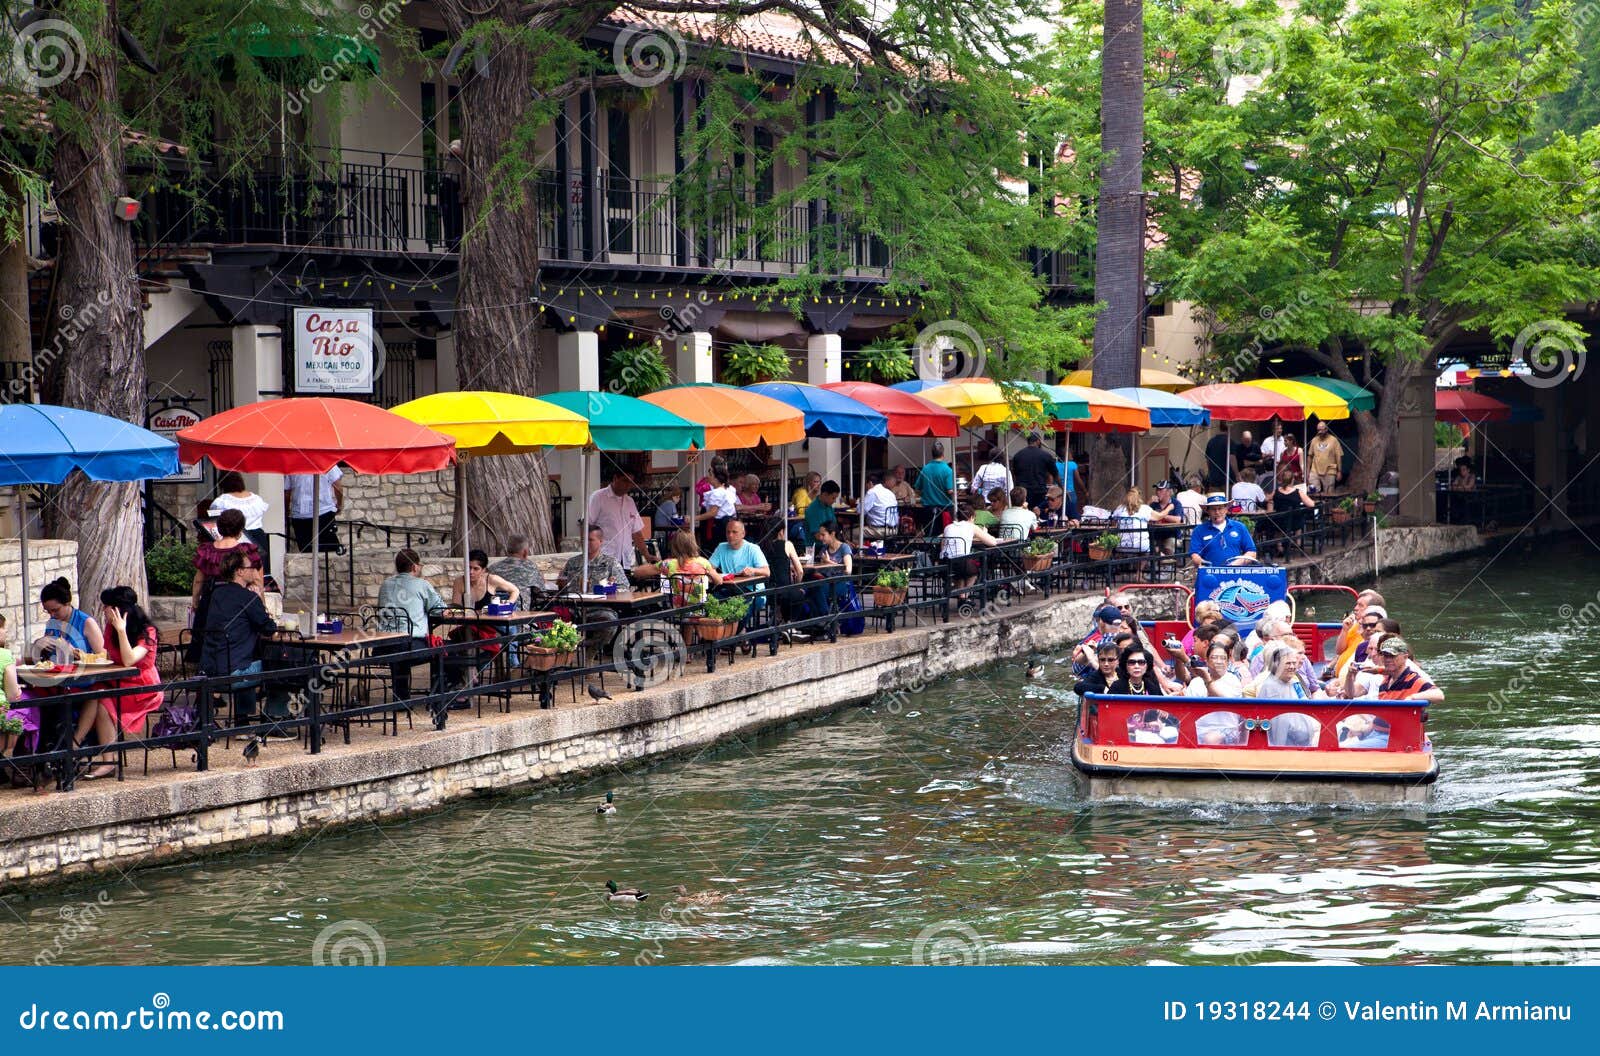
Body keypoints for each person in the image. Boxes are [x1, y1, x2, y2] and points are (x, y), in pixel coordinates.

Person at [70, 587, 162, 779]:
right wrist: (84, 656)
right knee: (95, 692)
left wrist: (121, 630)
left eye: (107, 607)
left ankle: (103, 759)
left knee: (103, 700)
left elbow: (129, 660)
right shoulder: (110, 628)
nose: (103, 610)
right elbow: (108, 655)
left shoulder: (147, 631)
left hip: (141, 688)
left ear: (117, 610)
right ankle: (76, 744)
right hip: (118, 682)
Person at [199, 548, 275, 726]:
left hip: (209, 669)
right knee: (277, 665)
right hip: (234, 673)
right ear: (239, 571)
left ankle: (243, 721)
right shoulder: (247, 597)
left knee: (245, 658)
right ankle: (276, 718)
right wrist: (257, 599)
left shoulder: (215, 594)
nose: (254, 571)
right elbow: (268, 628)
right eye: (251, 567)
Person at [375, 548, 446, 702]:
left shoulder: (385, 584)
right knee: (442, 650)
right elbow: (439, 610)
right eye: (420, 565)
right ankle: (436, 699)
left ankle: (401, 699)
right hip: (409, 644)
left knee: (399, 649)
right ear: (415, 567)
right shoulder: (421, 584)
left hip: (382, 645)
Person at [207, 471, 272, 573]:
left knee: (239, 571)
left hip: (237, 538)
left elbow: (214, 520)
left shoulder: (222, 501)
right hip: (258, 537)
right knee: (260, 569)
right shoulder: (256, 499)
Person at [639, 529, 723, 608]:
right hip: (699, 610)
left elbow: (640, 572)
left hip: (676, 611)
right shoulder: (703, 562)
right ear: (693, 544)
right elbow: (719, 581)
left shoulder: (668, 564)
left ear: (674, 546)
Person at [587, 470, 650, 567]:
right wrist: (589, 552)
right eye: (625, 481)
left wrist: (647, 555)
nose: (628, 485)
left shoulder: (630, 502)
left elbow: (636, 532)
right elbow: (586, 525)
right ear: (615, 478)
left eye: (630, 482)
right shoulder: (598, 497)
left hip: (625, 560)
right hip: (603, 558)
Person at [40, 577, 105, 658]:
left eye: (56, 610)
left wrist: (76, 653)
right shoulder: (52, 623)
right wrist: (40, 645)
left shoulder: (87, 623)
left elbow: (103, 657)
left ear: (67, 603)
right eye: (48, 611)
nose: (52, 615)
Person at [940, 502, 1000, 589]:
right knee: (974, 572)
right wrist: (984, 532)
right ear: (972, 517)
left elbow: (943, 546)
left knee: (960, 573)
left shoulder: (948, 527)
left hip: (945, 563)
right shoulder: (971, 526)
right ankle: (965, 595)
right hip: (961, 564)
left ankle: (961, 596)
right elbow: (992, 542)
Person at [1189, 493, 1258, 567]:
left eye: (1220, 508)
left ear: (1226, 509)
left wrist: (1234, 565)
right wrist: (1204, 564)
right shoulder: (1199, 530)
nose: (1217, 512)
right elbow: (1194, 554)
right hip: (1210, 574)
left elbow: (1252, 552)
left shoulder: (1239, 527)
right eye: (1213, 509)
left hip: (1235, 574)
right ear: (1208, 511)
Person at [286, 467, 342, 553]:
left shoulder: (293, 464)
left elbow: (287, 492)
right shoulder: (327, 462)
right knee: (330, 551)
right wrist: (339, 504)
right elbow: (338, 488)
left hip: (300, 514)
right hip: (323, 511)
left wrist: (286, 510)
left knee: (307, 551)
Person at [1373, 637, 1444, 702]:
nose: (1388, 659)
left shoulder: (1413, 681)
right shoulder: (1384, 683)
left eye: (1392, 656)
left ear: (1405, 657)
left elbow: (1439, 695)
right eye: (1385, 655)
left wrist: (1412, 697)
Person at [710, 518, 770, 593]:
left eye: (734, 532)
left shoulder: (753, 548)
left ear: (743, 534)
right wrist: (713, 573)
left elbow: (767, 572)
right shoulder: (721, 547)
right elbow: (708, 567)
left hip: (753, 592)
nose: (730, 535)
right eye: (728, 532)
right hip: (731, 591)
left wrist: (753, 570)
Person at [557, 528, 627, 592]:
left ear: (600, 541)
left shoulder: (611, 563)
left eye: (590, 540)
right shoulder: (572, 562)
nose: (586, 543)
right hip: (575, 603)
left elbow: (624, 588)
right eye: (583, 539)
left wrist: (607, 590)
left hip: (601, 604)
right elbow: (562, 585)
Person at [1071, 604, 1127, 676]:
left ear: (1101, 623)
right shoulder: (1128, 640)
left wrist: (1085, 653)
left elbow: (1075, 669)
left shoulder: (1098, 643)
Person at [454, 548, 522, 607]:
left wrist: (507, 605)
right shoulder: (459, 582)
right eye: (468, 567)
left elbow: (515, 590)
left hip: (491, 620)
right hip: (468, 620)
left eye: (476, 569)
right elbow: (456, 607)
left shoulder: (492, 579)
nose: (471, 572)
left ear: (484, 570)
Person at [488, 534, 545, 604]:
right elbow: (541, 592)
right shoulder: (530, 567)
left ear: (507, 550)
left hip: (495, 609)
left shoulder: (493, 567)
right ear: (525, 552)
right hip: (521, 611)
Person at [1012, 433, 1056, 509]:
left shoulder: (1017, 455)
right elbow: (1055, 473)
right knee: (1039, 514)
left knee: (1024, 514)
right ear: (1038, 441)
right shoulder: (1046, 455)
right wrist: (1062, 487)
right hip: (1040, 491)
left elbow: (1014, 475)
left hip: (1023, 493)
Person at [700, 467, 739, 545]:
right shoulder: (728, 491)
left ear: (716, 479)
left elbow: (712, 513)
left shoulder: (717, 493)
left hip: (719, 526)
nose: (709, 477)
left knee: (717, 547)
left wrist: (693, 518)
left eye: (711, 475)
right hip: (729, 523)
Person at [1112, 487, 1155, 555]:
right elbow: (1159, 517)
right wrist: (1170, 507)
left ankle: (1129, 564)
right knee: (1149, 549)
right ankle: (1140, 566)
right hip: (1140, 546)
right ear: (1139, 497)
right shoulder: (1144, 508)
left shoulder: (1120, 508)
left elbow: (1113, 522)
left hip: (1121, 546)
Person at [859, 471, 900, 539]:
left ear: (870, 483)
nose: (865, 487)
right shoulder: (890, 493)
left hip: (879, 530)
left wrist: (861, 500)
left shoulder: (872, 492)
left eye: (865, 484)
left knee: (849, 533)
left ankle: (862, 549)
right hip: (893, 529)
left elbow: (860, 511)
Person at [918, 443, 956, 515]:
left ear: (932, 454)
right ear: (943, 454)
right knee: (945, 527)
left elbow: (918, 488)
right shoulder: (948, 470)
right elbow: (950, 491)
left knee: (930, 526)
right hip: (945, 509)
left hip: (928, 509)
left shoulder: (925, 469)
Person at [1307, 421, 1344, 493]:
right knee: (1312, 490)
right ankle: (1314, 504)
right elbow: (1310, 456)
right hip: (1315, 470)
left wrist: (1339, 471)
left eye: (1321, 430)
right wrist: (1308, 471)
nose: (1319, 432)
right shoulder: (1314, 440)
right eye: (1318, 430)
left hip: (1329, 470)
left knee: (1329, 494)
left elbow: (1338, 456)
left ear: (1326, 429)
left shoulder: (1333, 440)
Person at [803, 479, 842, 544]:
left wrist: (843, 541)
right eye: (833, 498)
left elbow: (835, 528)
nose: (834, 501)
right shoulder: (812, 510)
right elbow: (818, 536)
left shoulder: (828, 506)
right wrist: (837, 543)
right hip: (816, 548)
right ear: (825, 494)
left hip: (829, 544)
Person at [1204, 424, 1236, 488]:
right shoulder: (1230, 442)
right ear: (1229, 428)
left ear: (1220, 428)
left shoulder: (1211, 441)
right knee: (1227, 497)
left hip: (1214, 479)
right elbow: (1232, 459)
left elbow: (1208, 460)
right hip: (1227, 479)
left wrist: (1211, 471)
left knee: (1215, 497)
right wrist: (1237, 474)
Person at [1259, 419, 1287, 484]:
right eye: (1278, 429)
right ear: (1273, 430)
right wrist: (1268, 455)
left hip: (1282, 470)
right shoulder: (1267, 441)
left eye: (1281, 429)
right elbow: (1261, 455)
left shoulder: (1285, 440)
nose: (1280, 431)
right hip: (1270, 470)